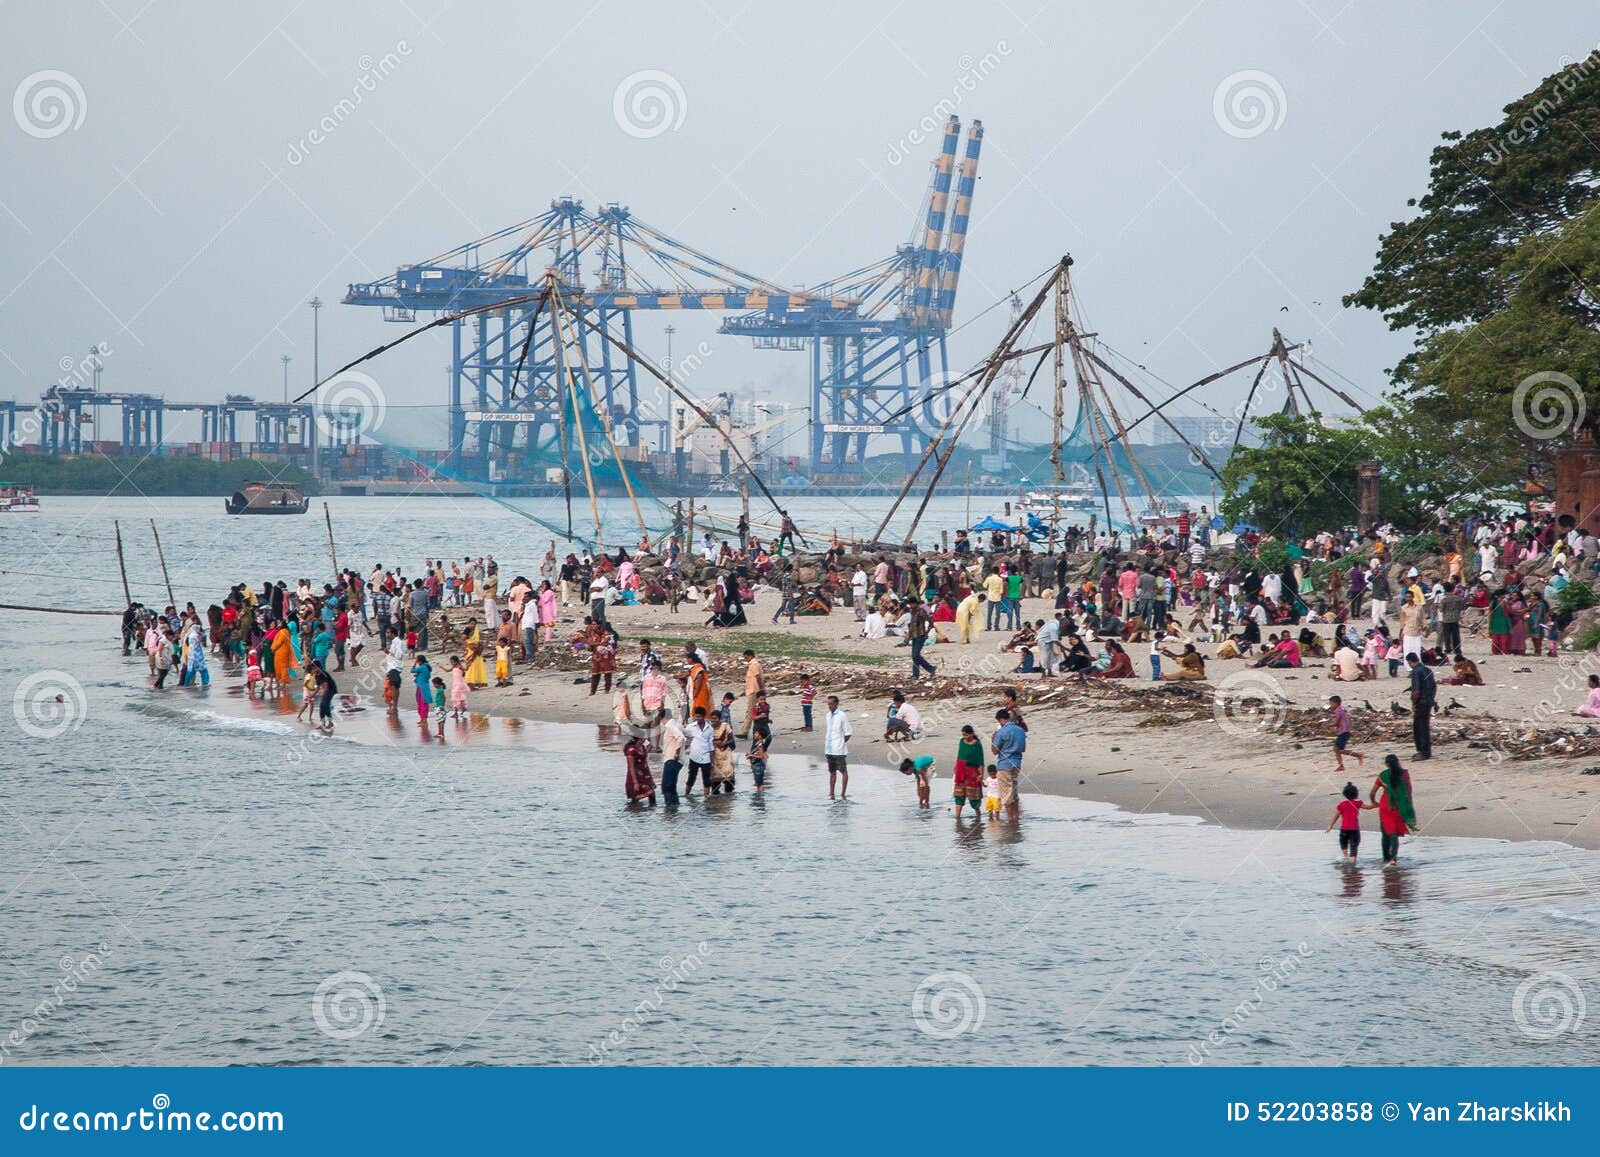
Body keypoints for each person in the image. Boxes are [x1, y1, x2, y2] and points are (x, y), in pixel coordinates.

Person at [1371, 753, 1419, 865]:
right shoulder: (1405, 774)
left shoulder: (1382, 775)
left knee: (1385, 833)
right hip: (1399, 806)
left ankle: (1385, 858)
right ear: (1397, 762)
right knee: (1394, 833)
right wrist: (1409, 805)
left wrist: (1374, 802)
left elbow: (1372, 793)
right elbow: (1408, 791)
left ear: (1387, 764)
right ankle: (1393, 859)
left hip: (1384, 806)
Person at [1324, 782, 1375, 861]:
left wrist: (1330, 826)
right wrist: (1376, 805)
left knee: (1343, 844)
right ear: (1356, 794)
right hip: (1354, 829)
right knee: (1354, 847)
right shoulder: (1358, 803)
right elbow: (1368, 807)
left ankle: (1345, 858)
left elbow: (1336, 816)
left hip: (1344, 829)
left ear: (1345, 794)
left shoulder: (1342, 804)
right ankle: (1352, 864)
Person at [991, 708, 1026, 821]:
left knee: (1006, 794)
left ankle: (1011, 819)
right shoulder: (1020, 730)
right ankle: (1016, 818)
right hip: (1017, 763)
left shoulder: (1001, 732)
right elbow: (1023, 748)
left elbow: (995, 751)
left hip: (1004, 764)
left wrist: (993, 739)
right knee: (1014, 792)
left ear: (1001, 720)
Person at [1405, 652, 1436, 759]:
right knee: (1424, 726)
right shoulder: (1428, 670)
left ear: (1409, 661)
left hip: (1421, 702)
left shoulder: (1416, 672)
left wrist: (1413, 703)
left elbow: (1416, 691)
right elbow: (1434, 687)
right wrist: (1431, 698)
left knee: (1419, 727)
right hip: (1428, 701)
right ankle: (1426, 751)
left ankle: (1423, 752)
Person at [823, 694, 852, 799]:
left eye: (831, 704)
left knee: (843, 771)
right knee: (832, 772)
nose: (829, 706)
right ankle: (831, 793)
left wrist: (841, 743)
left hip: (839, 749)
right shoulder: (827, 715)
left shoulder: (842, 715)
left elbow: (848, 733)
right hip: (829, 748)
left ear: (836, 704)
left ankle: (843, 794)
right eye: (828, 704)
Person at [952, 725, 985, 817]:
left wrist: (981, 774)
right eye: (963, 735)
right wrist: (955, 767)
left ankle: (978, 813)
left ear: (971, 734)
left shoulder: (977, 745)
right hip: (961, 770)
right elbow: (959, 755)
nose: (964, 737)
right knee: (959, 794)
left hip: (972, 771)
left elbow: (981, 760)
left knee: (973, 795)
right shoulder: (961, 742)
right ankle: (957, 816)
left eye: (966, 735)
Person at [1328, 695, 1365, 773]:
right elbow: (1339, 723)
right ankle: (1341, 766)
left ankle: (1358, 755)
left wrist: (1328, 725)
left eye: (1331, 703)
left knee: (1339, 750)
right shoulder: (1339, 710)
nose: (1330, 705)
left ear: (1337, 703)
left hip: (1344, 732)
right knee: (1336, 749)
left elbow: (1337, 723)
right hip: (1343, 732)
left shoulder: (1338, 711)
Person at [708, 708, 737, 794]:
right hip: (714, 754)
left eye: (715, 718)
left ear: (719, 719)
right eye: (712, 718)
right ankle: (716, 802)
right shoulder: (708, 728)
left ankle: (728, 799)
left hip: (725, 754)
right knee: (715, 778)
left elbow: (732, 739)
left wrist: (724, 743)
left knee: (728, 776)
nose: (713, 720)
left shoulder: (725, 726)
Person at [658, 709, 685, 800]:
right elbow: (689, 735)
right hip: (677, 760)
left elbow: (681, 737)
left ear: (662, 718)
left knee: (667, 787)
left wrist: (677, 752)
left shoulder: (670, 725)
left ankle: (670, 809)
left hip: (671, 759)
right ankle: (673, 810)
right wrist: (683, 749)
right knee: (671, 787)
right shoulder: (677, 724)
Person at [624, 734, 657, 806]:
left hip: (645, 775)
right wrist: (635, 783)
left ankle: (651, 812)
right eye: (643, 739)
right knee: (637, 797)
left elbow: (645, 762)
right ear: (639, 739)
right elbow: (631, 767)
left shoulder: (642, 747)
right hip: (635, 776)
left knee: (652, 795)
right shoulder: (631, 750)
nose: (645, 740)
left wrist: (652, 779)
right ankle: (635, 813)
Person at [737, 649, 764, 738]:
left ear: (750, 656)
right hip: (754, 690)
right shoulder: (754, 664)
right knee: (756, 711)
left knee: (750, 711)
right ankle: (760, 730)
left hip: (754, 691)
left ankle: (745, 732)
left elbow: (757, 677)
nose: (745, 659)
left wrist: (760, 690)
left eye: (746, 657)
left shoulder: (754, 665)